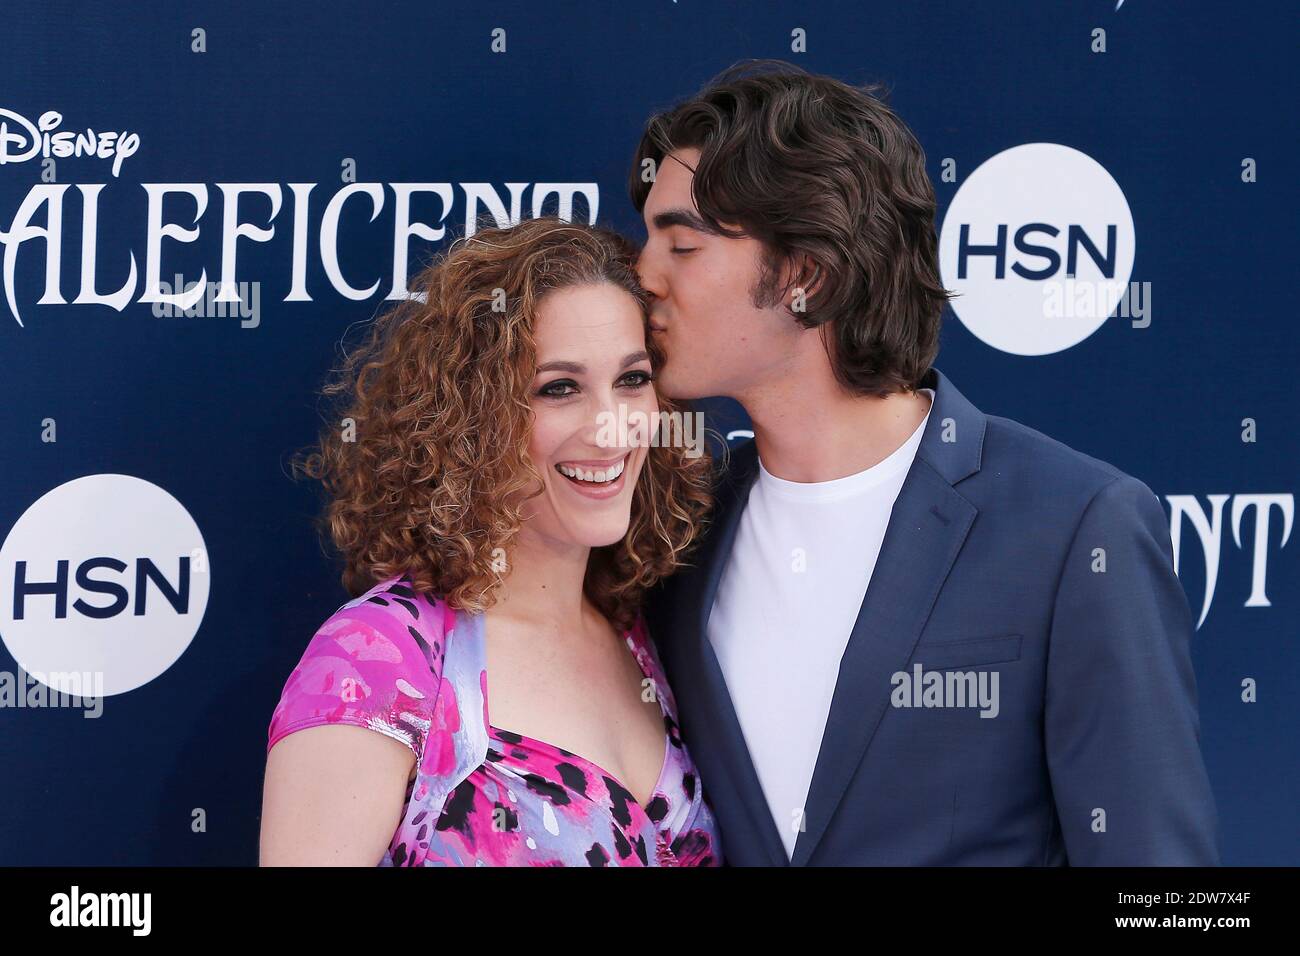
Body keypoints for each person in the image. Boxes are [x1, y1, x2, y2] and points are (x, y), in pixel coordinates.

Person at [629, 60, 1221, 865]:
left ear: (807, 274)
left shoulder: (1075, 527)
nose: (642, 273)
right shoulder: (676, 539)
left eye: (683, 244)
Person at [259, 216, 720, 866]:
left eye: (632, 380)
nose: (613, 430)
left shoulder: (642, 641)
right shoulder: (378, 661)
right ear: (474, 417)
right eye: (559, 388)